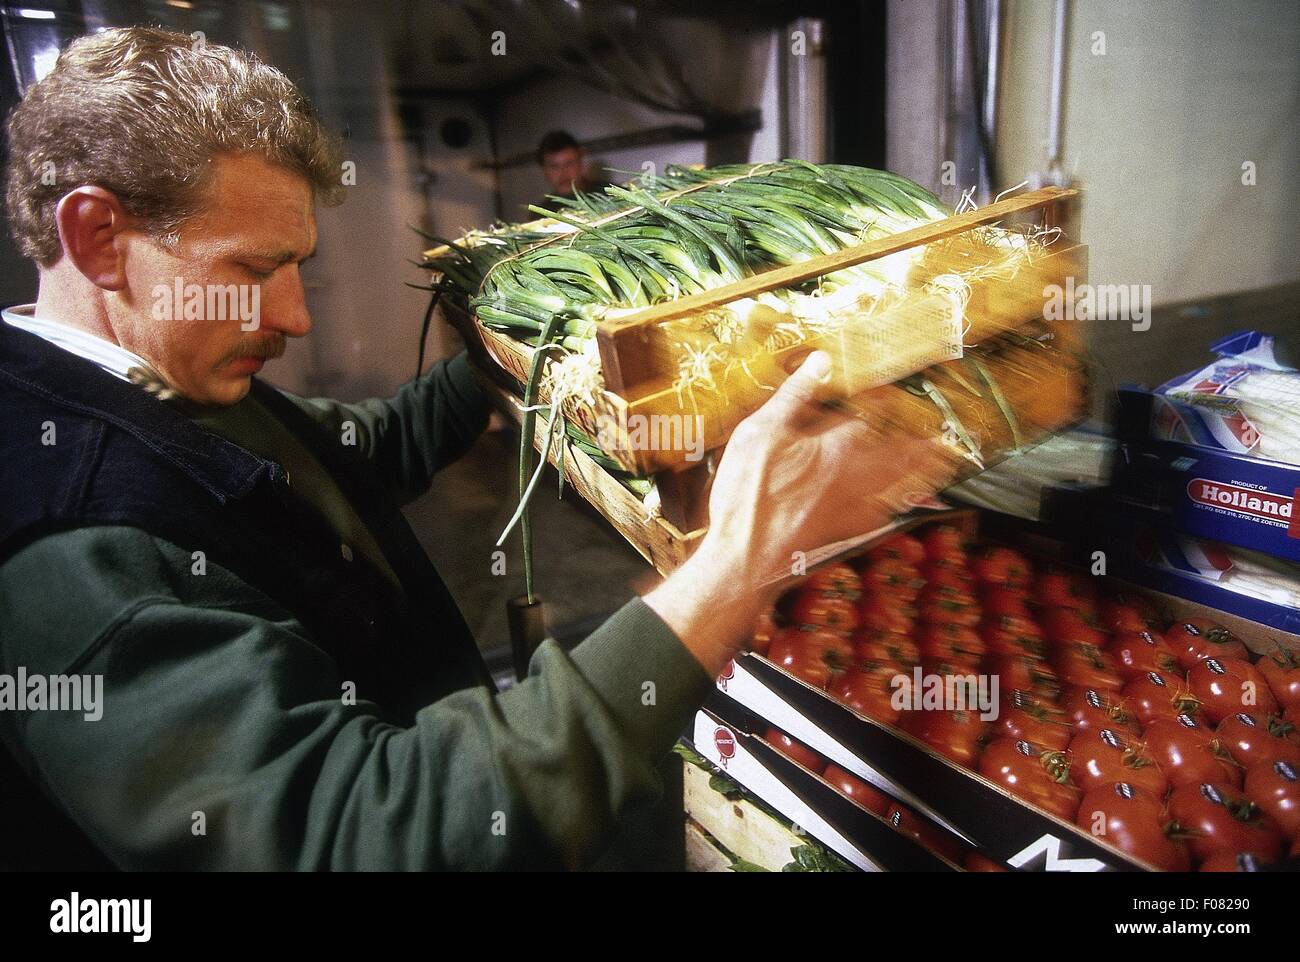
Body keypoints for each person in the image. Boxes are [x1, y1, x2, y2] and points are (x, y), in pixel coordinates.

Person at [0, 27, 952, 870]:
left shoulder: (160, 392)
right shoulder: (71, 542)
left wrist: (530, 345)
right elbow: (370, 833)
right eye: (253, 270)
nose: (291, 315)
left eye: (298, 268)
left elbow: (352, 455)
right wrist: (736, 569)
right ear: (99, 238)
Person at [530, 129, 605, 216]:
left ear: (581, 162)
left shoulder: (610, 195)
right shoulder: (540, 215)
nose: (563, 173)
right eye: (554, 166)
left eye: (569, 163)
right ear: (544, 169)